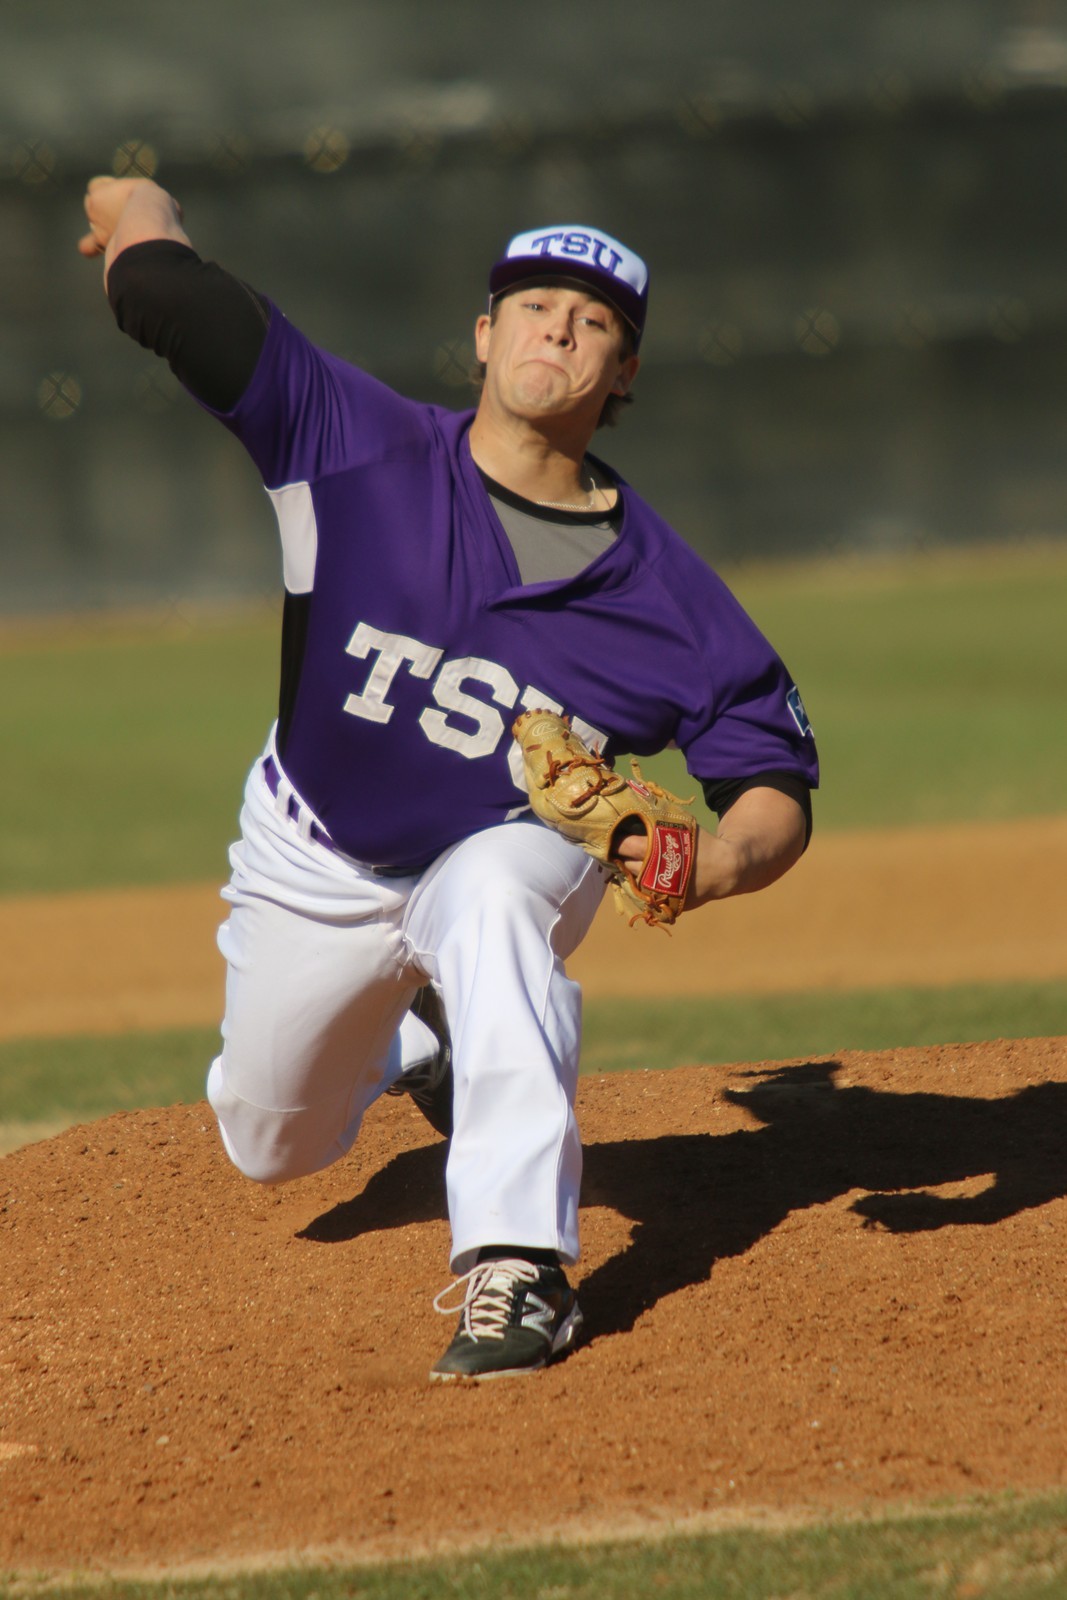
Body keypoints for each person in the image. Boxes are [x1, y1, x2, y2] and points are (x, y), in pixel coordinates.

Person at [79, 177, 819, 1381]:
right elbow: (165, 296)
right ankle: (421, 1040)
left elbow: (772, 774)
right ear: (483, 336)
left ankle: (518, 1266)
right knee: (271, 1142)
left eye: (592, 323)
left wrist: (717, 860)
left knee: (494, 892)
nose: (557, 331)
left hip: (505, 848)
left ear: (622, 372)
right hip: (313, 847)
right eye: (532, 305)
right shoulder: (348, 439)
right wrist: (142, 213)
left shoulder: (667, 597)